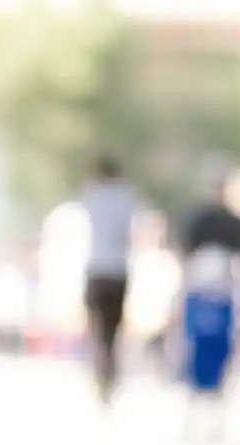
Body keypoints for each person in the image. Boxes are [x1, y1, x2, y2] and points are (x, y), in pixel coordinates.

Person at [177, 166, 240, 440]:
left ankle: (216, 413)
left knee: (221, 354)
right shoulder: (199, 221)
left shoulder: (236, 225)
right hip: (200, 293)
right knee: (196, 353)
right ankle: (195, 410)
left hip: (225, 296)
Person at [80, 153, 139, 404]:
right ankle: (109, 374)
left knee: (98, 328)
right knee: (112, 330)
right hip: (118, 270)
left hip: (98, 269)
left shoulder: (91, 196)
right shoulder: (127, 198)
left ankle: (102, 375)